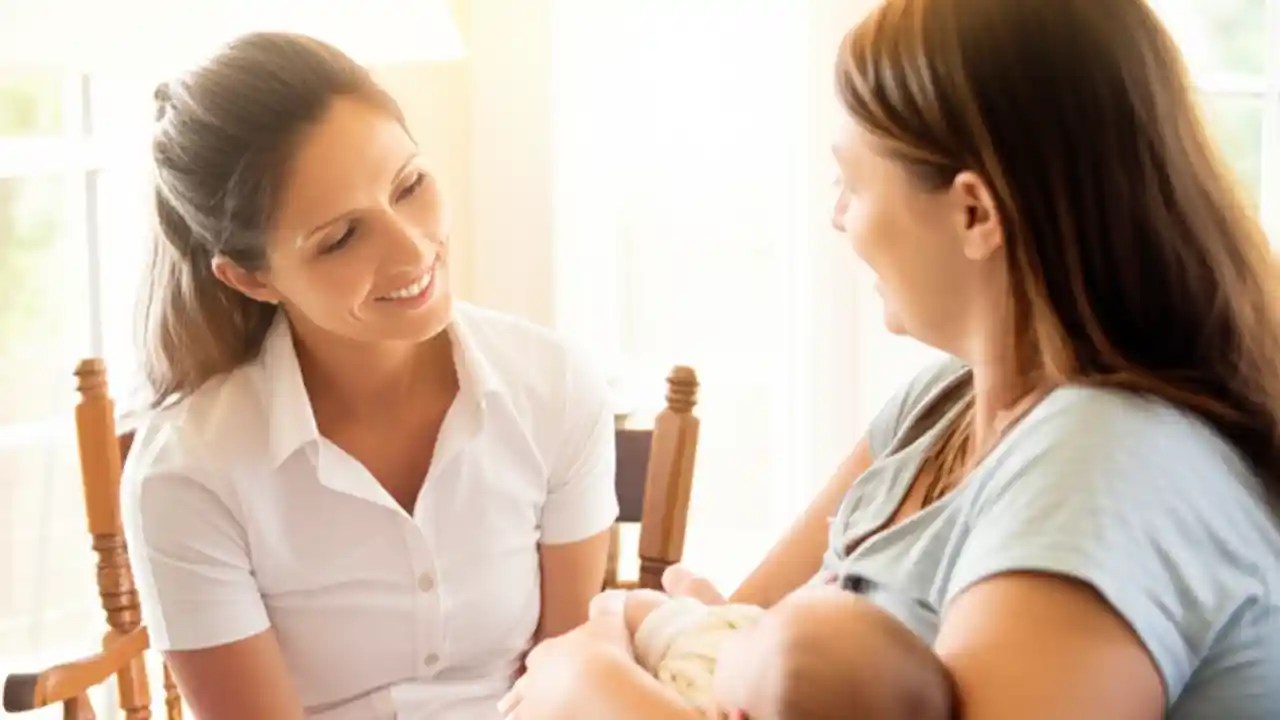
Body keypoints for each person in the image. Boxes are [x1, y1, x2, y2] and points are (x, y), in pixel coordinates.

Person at [499, 0, 1280, 718]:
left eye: (850, 180)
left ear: (975, 211)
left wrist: (595, 691)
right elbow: (748, 659)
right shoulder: (940, 407)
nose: (838, 218)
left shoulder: (1106, 463)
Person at [119, 32, 619, 720]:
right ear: (251, 278)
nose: (412, 248)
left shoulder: (553, 387)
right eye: (341, 238)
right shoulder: (189, 473)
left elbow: (574, 682)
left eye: (409, 185)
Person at [599, 568, 952, 718]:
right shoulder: (757, 667)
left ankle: (697, 593)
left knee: (696, 615)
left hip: (684, 630)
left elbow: (626, 609)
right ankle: (699, 592)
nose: (752, 627)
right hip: (711, 620)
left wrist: (608, 618)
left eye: (753, 633)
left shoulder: (696, 683)